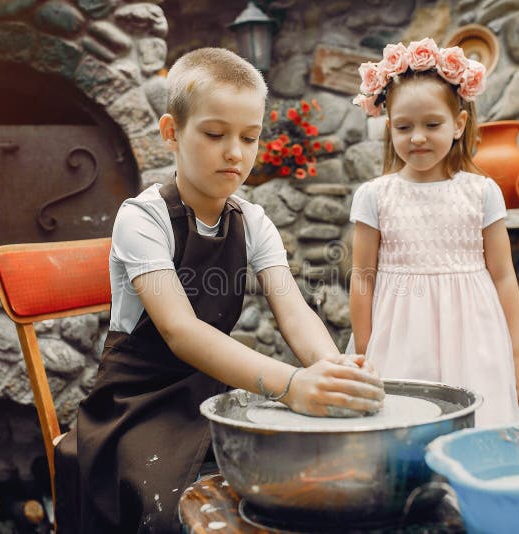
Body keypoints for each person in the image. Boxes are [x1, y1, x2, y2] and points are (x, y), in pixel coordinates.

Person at [54, 47, 386, 534]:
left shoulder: (253, 221)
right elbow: (181, 331)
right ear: (171, 132)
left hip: (210, 395)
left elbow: (293, 310)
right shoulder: (141, 219)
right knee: (179, 512)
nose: (235, 152)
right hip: (135, 407)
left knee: (300, 475)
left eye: (249, 137)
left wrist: (332, 370)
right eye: (215, 134)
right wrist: (291, 385)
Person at [347, 38, 519, 427]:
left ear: (458, 125)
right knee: (402, 426)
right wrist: (363, 350)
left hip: (474, 337)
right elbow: (363, 278)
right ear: (389, 127)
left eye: (432, 125)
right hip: (399, 338)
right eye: (404, 127)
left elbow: (503, 275)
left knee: (478, 427)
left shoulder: (482, 192)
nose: (417, 137)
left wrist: (515, 356)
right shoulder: (374, 196)